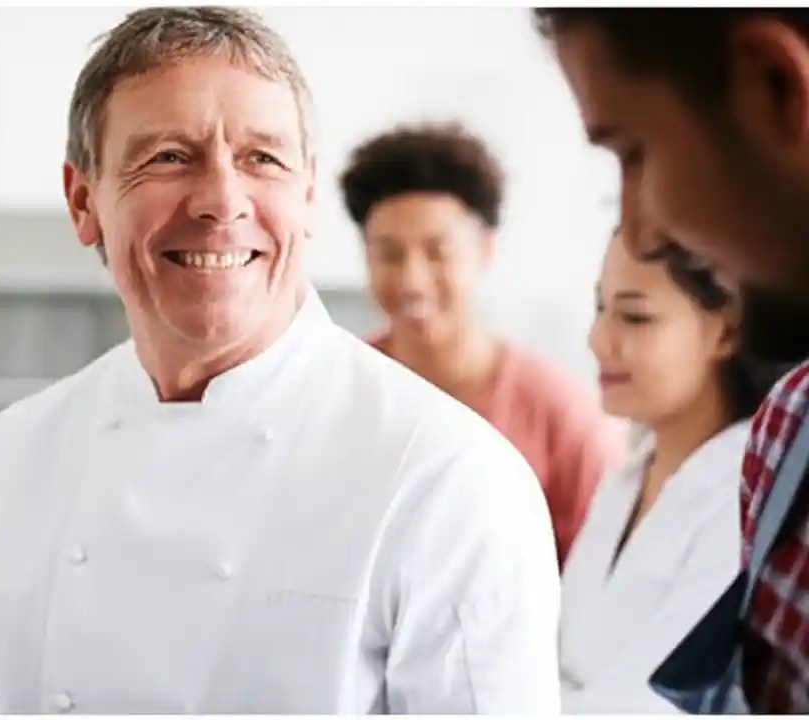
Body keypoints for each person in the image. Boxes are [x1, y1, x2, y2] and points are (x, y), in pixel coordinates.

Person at [0, 7, 561, 714]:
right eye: (168, 156)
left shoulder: (445, 478)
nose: (220, 201)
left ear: (306, 197)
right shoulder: (9, 461)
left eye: (262, 159)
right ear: (83, 200)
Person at [535, 9, 809, 712]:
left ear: (776, 87)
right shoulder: (786, 435)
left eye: (635, 152)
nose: (642, 227)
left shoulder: (748, 464)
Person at [339, 122, 626, 567]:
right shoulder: (336, 392)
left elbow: (597, 588)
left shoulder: (561, 416)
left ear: (484, 251)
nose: (412, 280)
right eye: (389, 254)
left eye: (438, 251)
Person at [561, 229, 790, 712]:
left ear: (726, 331)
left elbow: (652, 706)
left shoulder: (747, 498)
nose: (597, 339)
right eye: (600, 308)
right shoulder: (626, 479)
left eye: (635, 317)